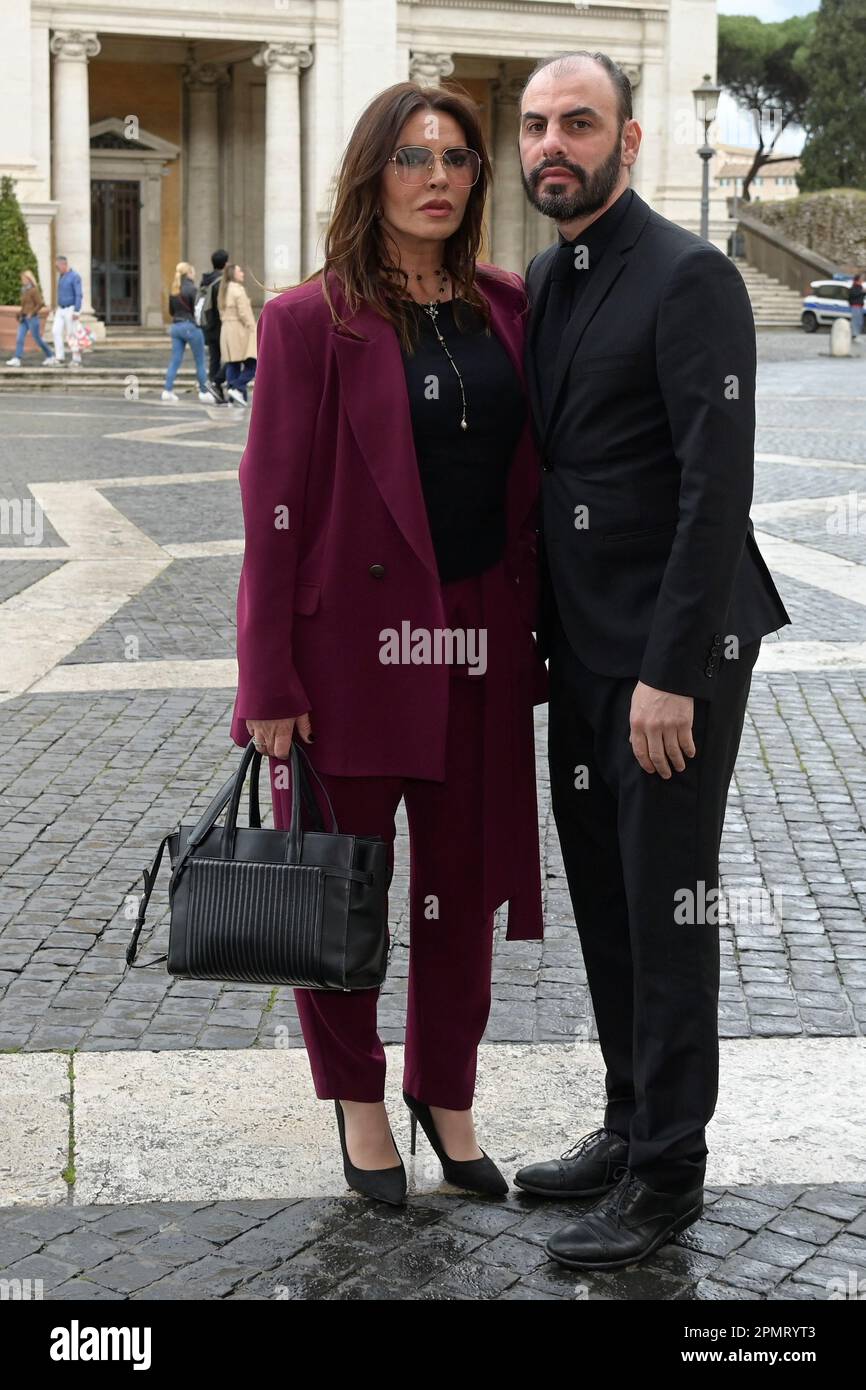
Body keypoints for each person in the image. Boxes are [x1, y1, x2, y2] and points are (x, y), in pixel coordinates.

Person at [228, 81, 548, 1207]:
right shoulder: (308, 320)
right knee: (339, 893)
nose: (439, 178)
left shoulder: (511, 305)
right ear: (373, 174)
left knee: (458, 892)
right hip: (347, 658)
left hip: (476, 646)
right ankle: (361, 1105)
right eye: (413, 157)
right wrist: (266, 675)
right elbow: (271, 504)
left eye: (458, 158)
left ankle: (444, 1095)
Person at [512, 51, 791, 1270]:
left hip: (673, 656)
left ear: (627, 143)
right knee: (605, 899)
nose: (548, 147)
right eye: (531, 127)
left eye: (576, 124)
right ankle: (627, 1123)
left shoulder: (690, 276)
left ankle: (668, 1169)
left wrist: (670, 670)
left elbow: (711, 484)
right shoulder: (545, 274)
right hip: (579, 652)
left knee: (666, 908)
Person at [162, 261, 212, 403]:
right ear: (189, 273)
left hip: (176, 327)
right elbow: (197, 311)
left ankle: (167, 390)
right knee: (200, 361)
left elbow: (171, 311)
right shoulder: (192, 289)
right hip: (190, 326)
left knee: (175, 360)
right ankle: (204, 392)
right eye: (193, 271)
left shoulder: (174, 290)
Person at [218, 265, 257, 405]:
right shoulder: (237, 290)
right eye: (239, 271)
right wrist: (253, 327)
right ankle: (236, 388)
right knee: (253, 364)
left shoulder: (224, 290)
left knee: (233, 364)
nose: (242, 273)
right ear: (233, 274)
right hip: (239, 330)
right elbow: (244, 313)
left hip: (227, 329)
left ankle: (232, 398)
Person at [5, 270, 54, 366]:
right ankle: (17, 359)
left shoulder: (34, 290)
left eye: (24, 278)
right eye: (22, 278)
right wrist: (20, 313)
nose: (22, 280)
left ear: (29, 279)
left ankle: (50, 356)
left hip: (32, 318)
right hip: (24, 318)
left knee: (37, 339)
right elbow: (25, 306)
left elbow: (40, 304)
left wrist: (32, 313)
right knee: (19, 338)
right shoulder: (24, 290)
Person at [200, 249, 229, 401]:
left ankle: (216, 390)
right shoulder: (222, 282)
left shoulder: (205, 280)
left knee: (214, 358)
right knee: (233, 358)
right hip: (221, 326)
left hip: (208, 326)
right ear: (225, 263)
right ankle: (217, 383)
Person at [52, 256, 82, 366]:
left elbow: (78, 294)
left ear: (64, 264)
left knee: (71, 333)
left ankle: (76, 358)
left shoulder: (75, 277)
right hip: (61, 308)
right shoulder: (62, 276)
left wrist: (77, 311)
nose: (57, 269)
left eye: (58, 266)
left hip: (71, 308)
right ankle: (59, 357)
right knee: (56, 331)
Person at [849, 272, 865, 339]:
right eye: (862, 278)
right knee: (855, 320)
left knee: (859, 321)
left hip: (860, 306)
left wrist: (863, 293)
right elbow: (853, 295)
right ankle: (853, 333)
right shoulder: (854, 286)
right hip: (855, 306)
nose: (863, 279)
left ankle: (855, 333)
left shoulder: (860, 286)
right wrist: (862, 292)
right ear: (858, 279)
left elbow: (860, 296)